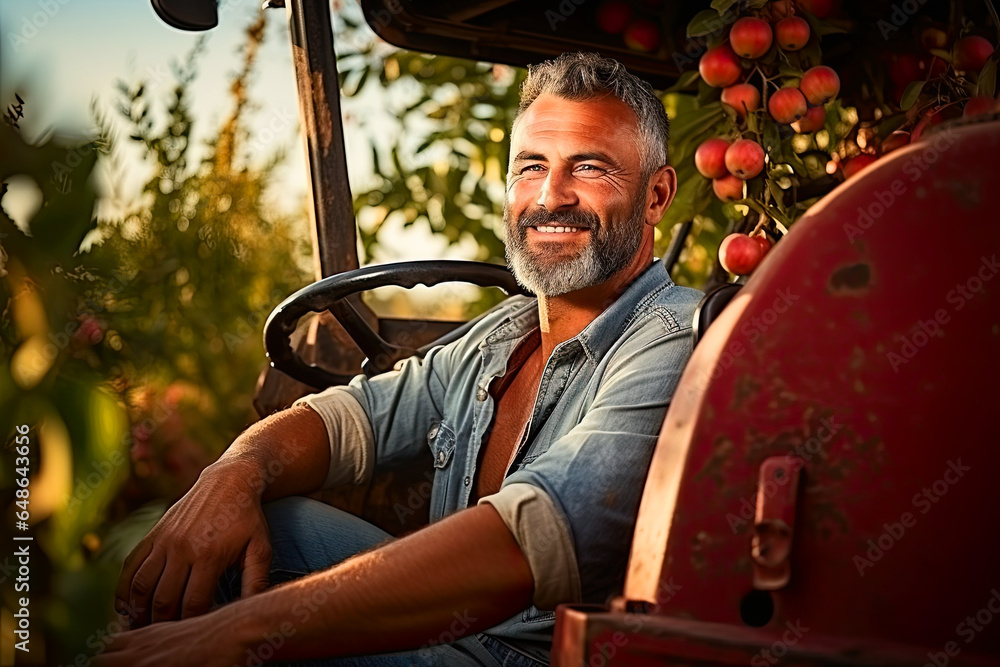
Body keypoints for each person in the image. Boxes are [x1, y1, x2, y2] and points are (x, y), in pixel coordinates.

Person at [100, 51, 703, 667]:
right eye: (531, 167)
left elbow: (534, 540)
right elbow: (347, 421)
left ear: (656, 195)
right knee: (234, 539)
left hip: (533, 657)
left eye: (590, 167)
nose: (551, 196)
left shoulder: (674, 338)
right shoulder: (499, 339)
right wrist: (235, 472)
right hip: (451, 638)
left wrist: (238, 632)